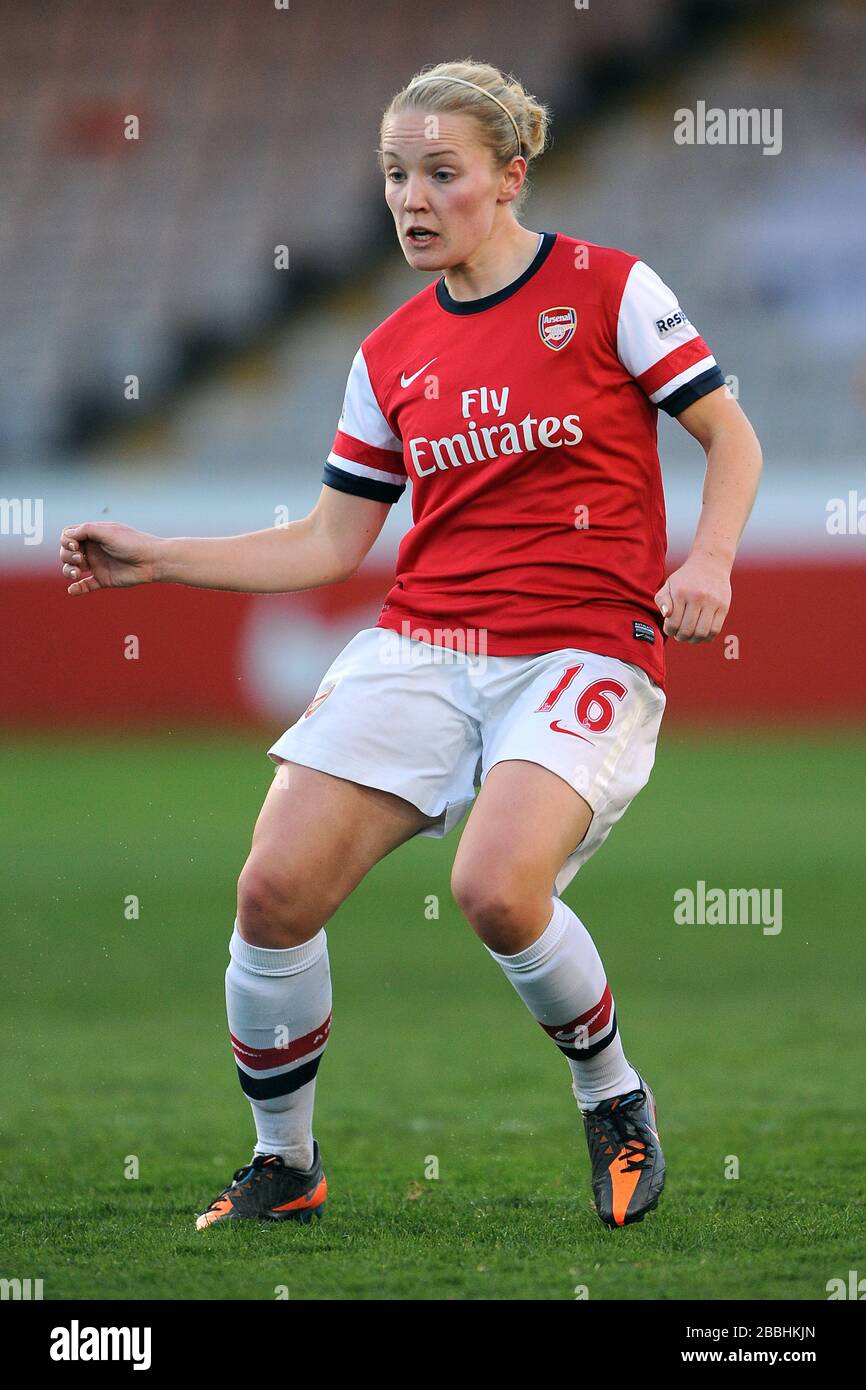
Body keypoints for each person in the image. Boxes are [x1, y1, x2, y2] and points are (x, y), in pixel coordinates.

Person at [59, 60, 762, 1231]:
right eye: (395, 175)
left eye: (441, 173)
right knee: (272, 889)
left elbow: (726, 436)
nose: (411, 198)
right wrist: (162, 554)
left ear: (508, 177)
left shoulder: (606, 288)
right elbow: (334, 541)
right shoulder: (388, 350)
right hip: (424, 643)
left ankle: (612, 1095)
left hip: (580, 644)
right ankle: (282, 1161)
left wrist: (709, 559)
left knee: (492, 888)